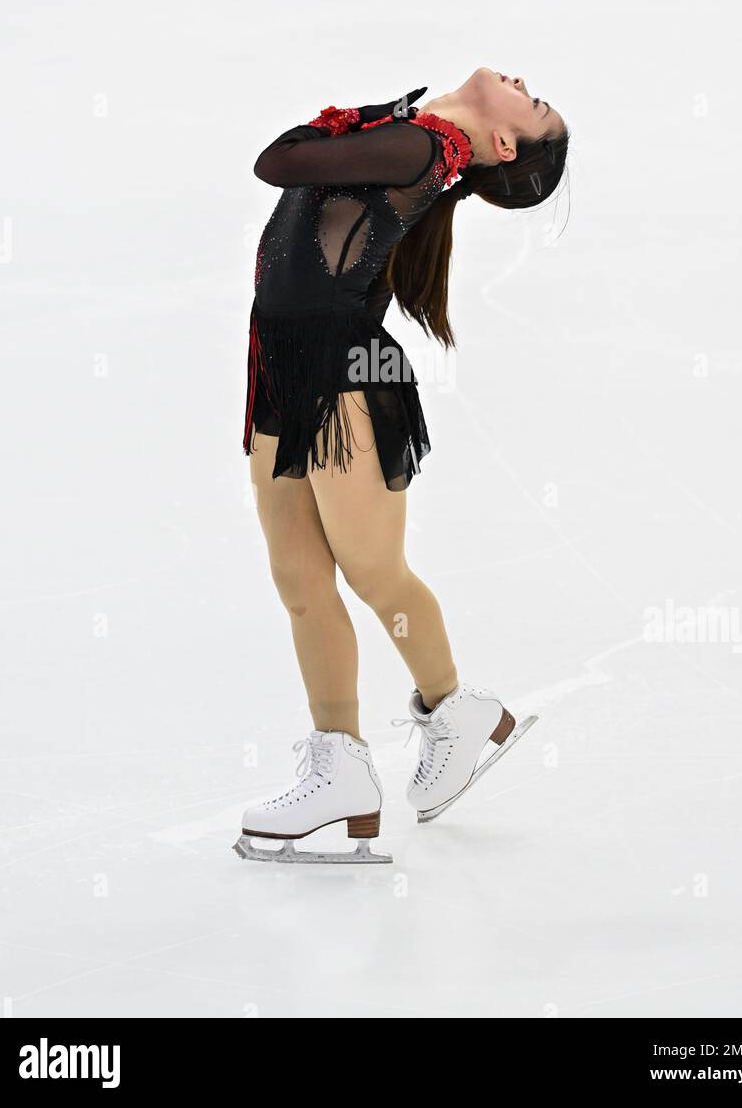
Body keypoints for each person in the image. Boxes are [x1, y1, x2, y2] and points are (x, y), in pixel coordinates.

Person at [235, 68, 569, 864]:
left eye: (537, 104)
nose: (526, 83)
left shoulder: (422, 145)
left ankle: (457, 709)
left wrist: (361, 118)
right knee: (300, 579)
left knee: (372, 570)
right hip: (283, 364)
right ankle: (340, 765)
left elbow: (278, 161)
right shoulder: (414, 138)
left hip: (349, 374)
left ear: (502, 142)